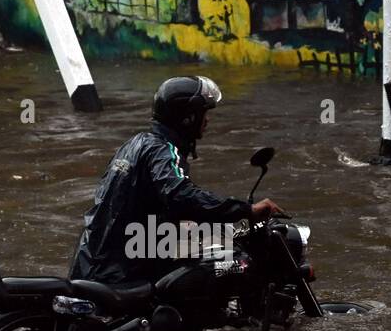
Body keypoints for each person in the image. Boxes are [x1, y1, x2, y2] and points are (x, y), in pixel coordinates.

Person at [68, 75, 283, 285]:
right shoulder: (163, 150)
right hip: (125, 271)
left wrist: (183, 224)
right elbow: (180, 194)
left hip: (92, 261)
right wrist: (246, 210)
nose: (207, 120)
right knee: (231, 264)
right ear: (188, 118)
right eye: (203, 113)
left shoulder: (134, 144)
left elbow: (136, 205)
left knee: (211, 248)